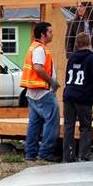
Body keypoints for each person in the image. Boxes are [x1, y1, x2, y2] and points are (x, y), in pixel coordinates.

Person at [62, 33, 93, 162]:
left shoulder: (72, 57)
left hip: (69, 94)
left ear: (77, 44)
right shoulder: (91, 58)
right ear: (89, 43)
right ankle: (83, 156)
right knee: (85, 127)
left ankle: (68, 156)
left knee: (69, 126)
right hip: (83, 96)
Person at [21, 22, 60, 162]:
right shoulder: (39, 49)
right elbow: (38, 67)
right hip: (42, 91)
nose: (52, 34)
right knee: (52, 120)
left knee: (34, 123)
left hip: (33, 92)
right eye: (50, 32)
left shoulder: (35, 47)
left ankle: (30, 153)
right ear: (43, 34)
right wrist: (52, 81)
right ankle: (45, 152)